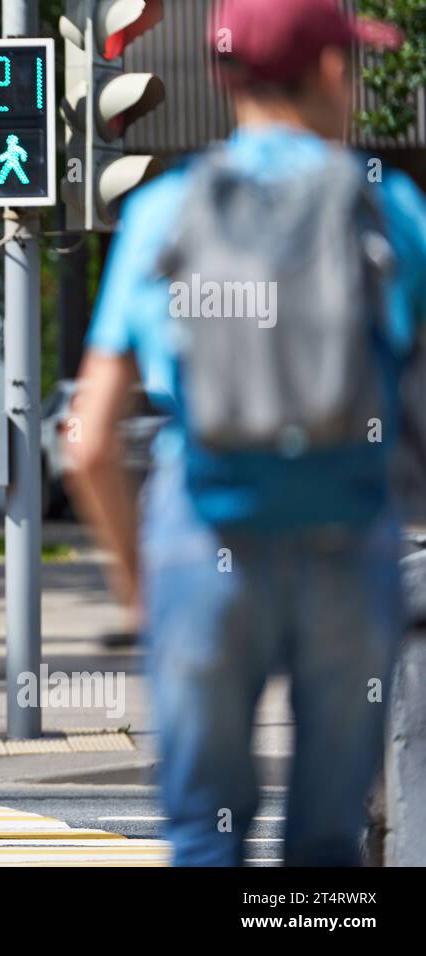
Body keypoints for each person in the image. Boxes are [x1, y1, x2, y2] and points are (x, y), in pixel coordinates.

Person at [68, 0, 426, 866]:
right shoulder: (389, 208)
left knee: (202, 833)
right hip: (349, 538)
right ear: (332, 72)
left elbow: (86, 440)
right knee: (326, 840)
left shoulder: (170, 210)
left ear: (226, 78)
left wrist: (139, 588)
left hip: (205, 539)